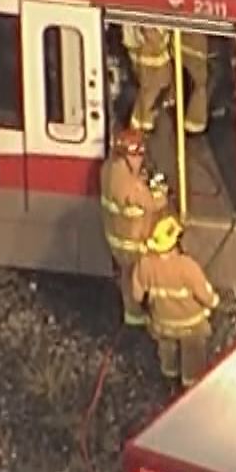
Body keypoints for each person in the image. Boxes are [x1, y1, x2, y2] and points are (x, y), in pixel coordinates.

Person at [131, 215, 220, 386]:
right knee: (192, 357)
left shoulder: (145, 265)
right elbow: (205, 295)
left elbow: (137, 295)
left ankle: (170, 381)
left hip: (163, 324)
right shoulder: (187, 267)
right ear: (175, 243)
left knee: (167, 352)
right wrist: (215, 302)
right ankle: (190, 386)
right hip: (191, 326)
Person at [99, 126, 165, 326]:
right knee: (138, 277)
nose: (141, 160)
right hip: (132, 243)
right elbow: (155, 203)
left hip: (115, 238)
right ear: (128, 157)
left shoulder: (108, 169)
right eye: (138, 155)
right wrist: (160, 190)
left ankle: (132, 313)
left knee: (126, 277)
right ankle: (141, 313)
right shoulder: (132, 187)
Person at [123, 23, 211, 135]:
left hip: (153, 46)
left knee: (153, 86)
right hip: (150, 47)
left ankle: (142, 122)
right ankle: (141, 123)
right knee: (153, 86)